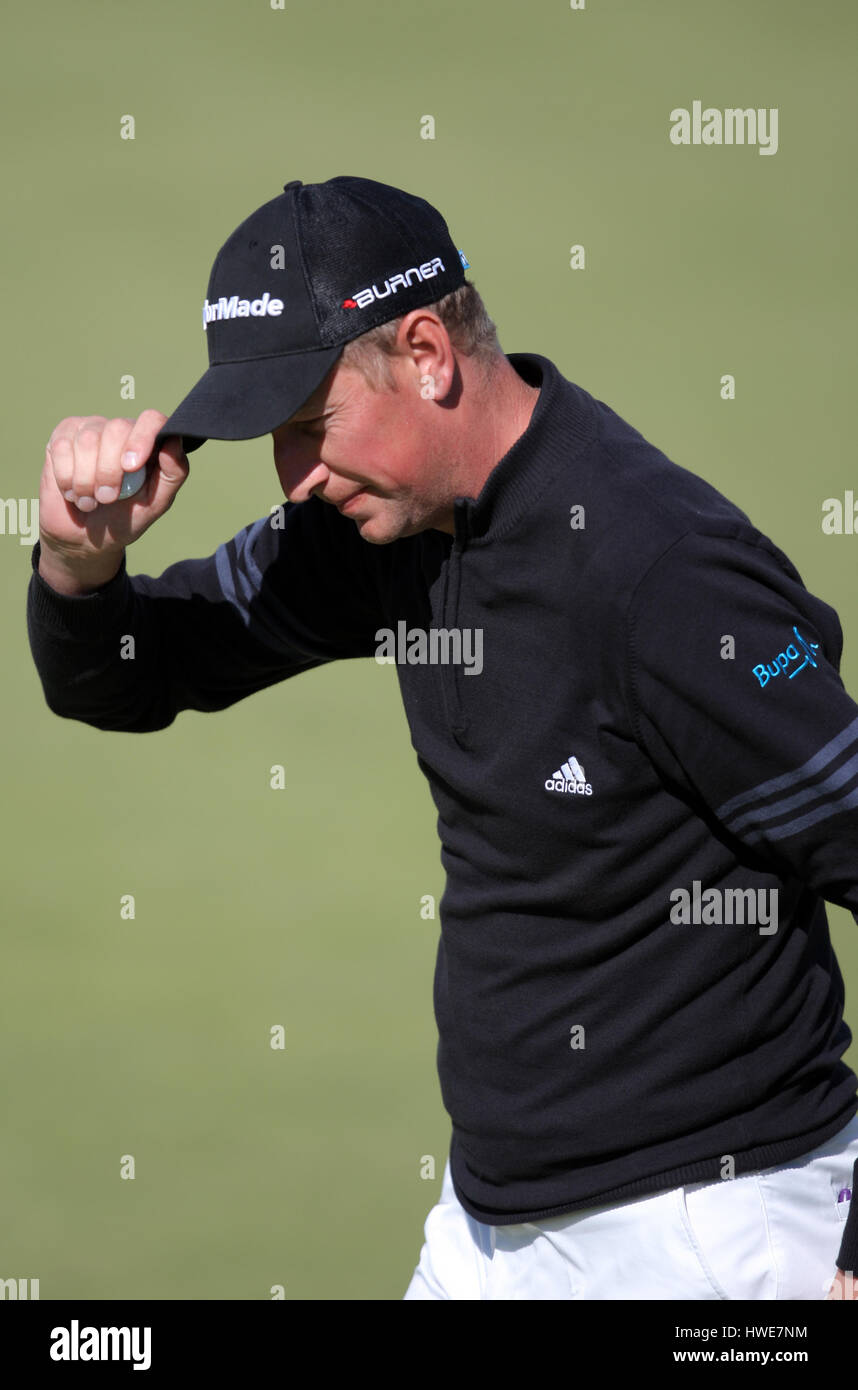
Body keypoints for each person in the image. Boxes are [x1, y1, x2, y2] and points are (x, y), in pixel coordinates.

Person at [28, 175, 858, 1300]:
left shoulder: (662, 576)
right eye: (276, 439)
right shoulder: (378, 527)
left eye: (310, 425)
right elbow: (132, 676)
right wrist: (81, 562)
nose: (297, 475)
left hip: (712, 1230)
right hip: (492, 1231)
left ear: (427, 352)